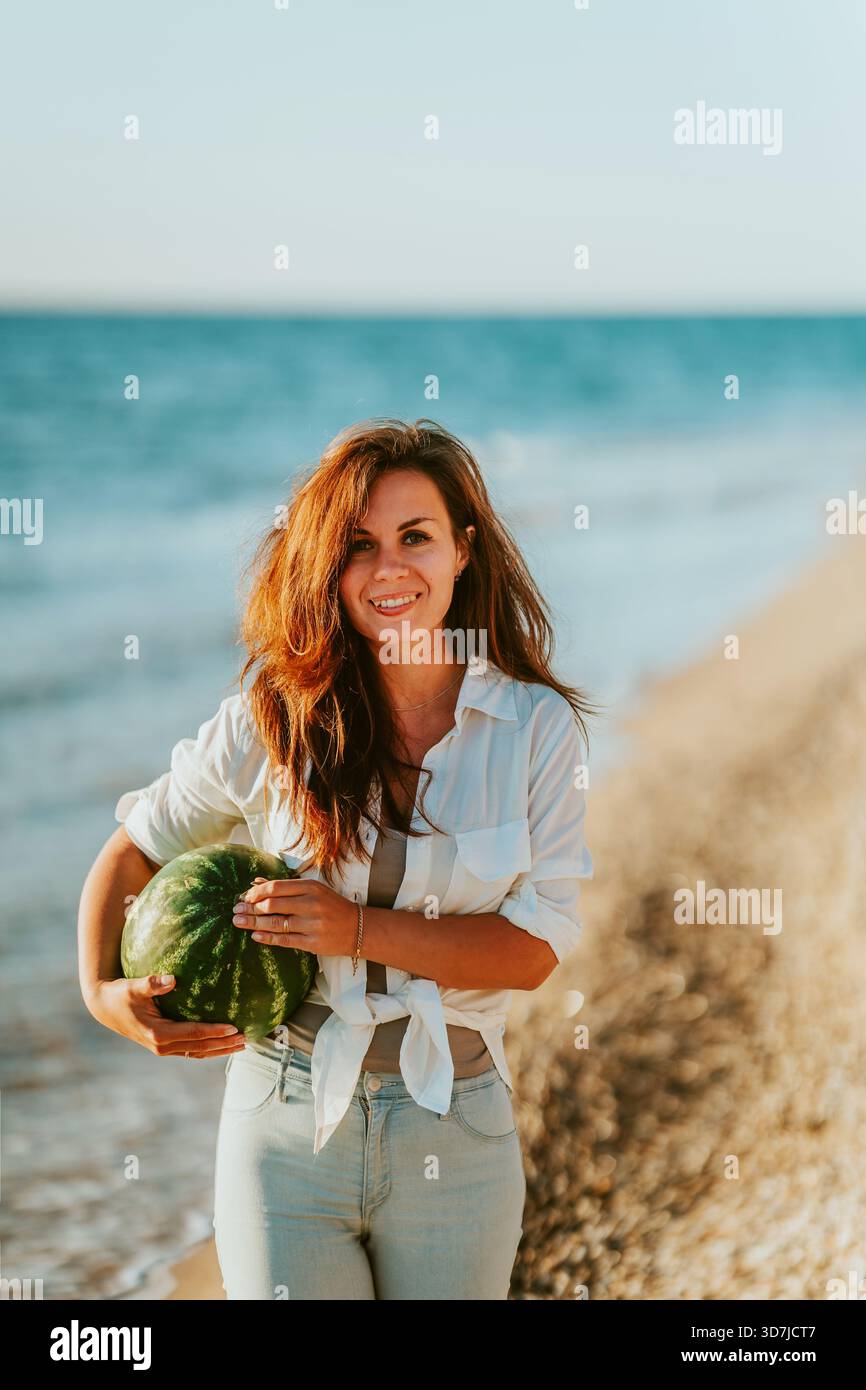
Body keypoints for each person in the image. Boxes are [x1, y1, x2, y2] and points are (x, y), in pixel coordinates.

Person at [78, 417, 595, 1300]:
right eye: (358, 546)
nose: (390, 569)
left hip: (457, 1131)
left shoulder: (537, 731)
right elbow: (133, 850)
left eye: (415, 538)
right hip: (281, 1126)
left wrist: (355, 929)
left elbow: (534, 951)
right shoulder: (271, 721)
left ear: (463, 551)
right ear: (327, 565)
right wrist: (100, 992)